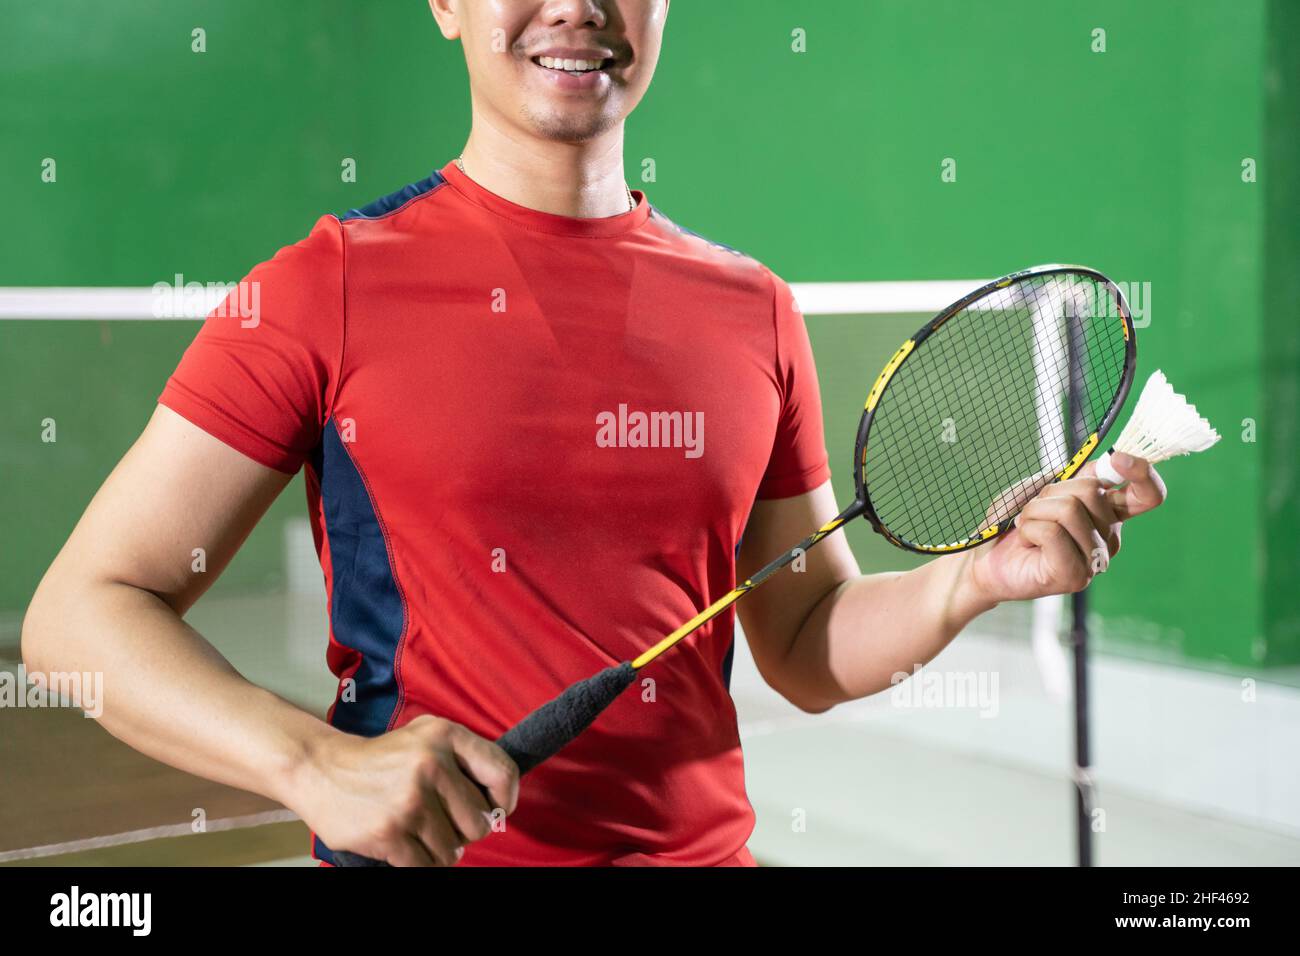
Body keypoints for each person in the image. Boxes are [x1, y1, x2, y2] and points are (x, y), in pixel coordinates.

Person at [21, 0, 1166, 867]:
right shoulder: (325, 284)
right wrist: (314, 762)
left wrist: (975, 577)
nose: (576, 7)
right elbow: (79, 613)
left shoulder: (752, 305)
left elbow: (806, 638)